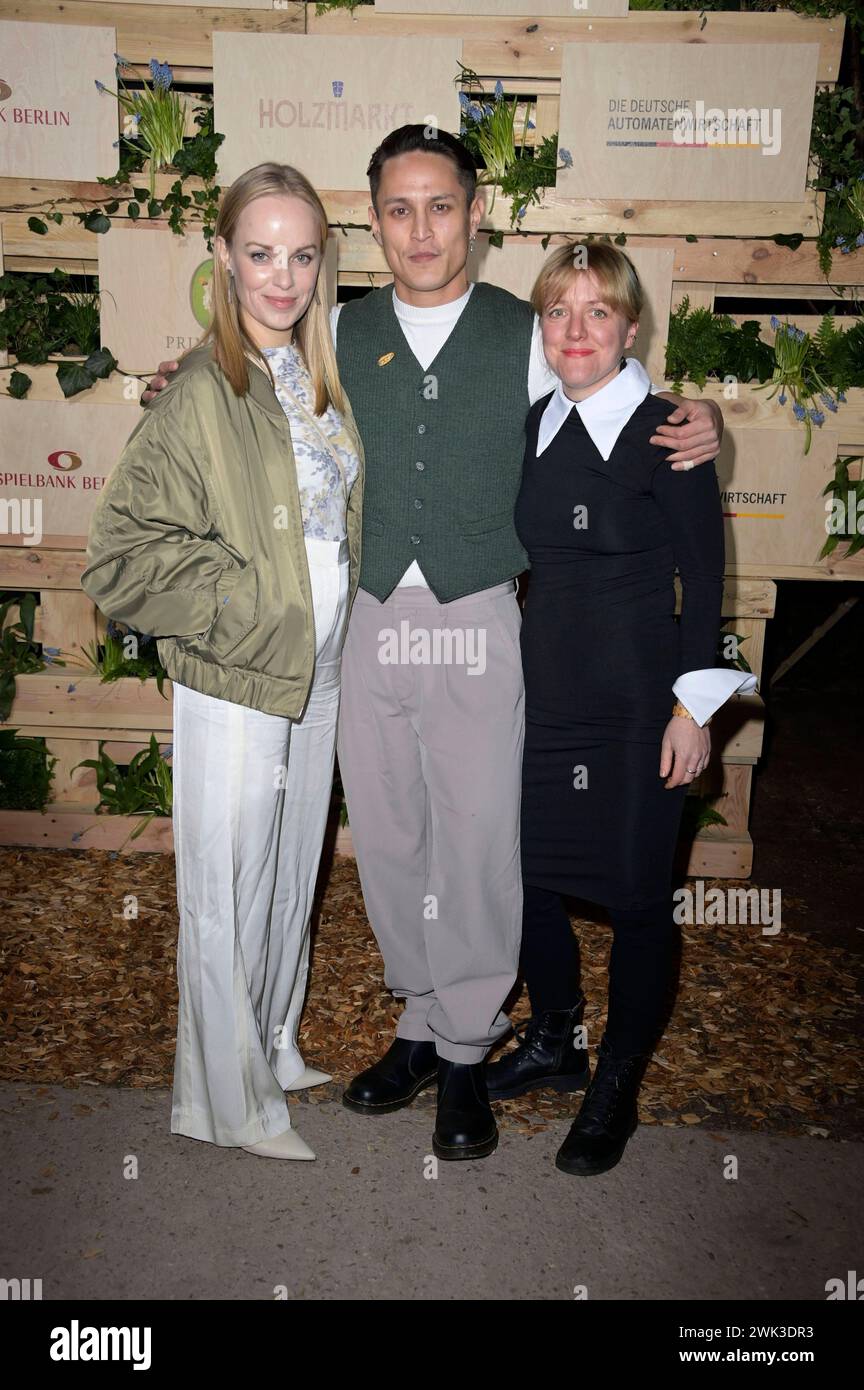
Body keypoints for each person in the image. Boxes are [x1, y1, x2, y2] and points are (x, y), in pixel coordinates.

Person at [145, 126, 724, 1164]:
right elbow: (253, 382)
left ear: (475, 214)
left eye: (442, 205)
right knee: (393, 834)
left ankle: (466, 1046)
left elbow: (616, 390)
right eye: (400, 208)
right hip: (363, 621)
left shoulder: (526, 333)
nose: (421, 228)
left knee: (476, 840)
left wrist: (701, 418)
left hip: (478, 620)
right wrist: (177, 386)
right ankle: (417, 1021)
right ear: (374, 221)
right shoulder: (337, 330)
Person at [81, 163, 364, 1162]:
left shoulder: (320, 380)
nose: (281, 276)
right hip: (236, 673)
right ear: (225, 264)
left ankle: (274, 1044)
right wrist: (243, 606)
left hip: (314, 671)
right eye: (260, 253)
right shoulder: (202, 388)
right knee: (226, 883)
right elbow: (118, 558)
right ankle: (227, 1100)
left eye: (300, 254)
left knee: (292, 872)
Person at [485, 242, 755, 1176]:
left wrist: (693, 709)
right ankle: (557, 1042)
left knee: (640, 901)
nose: (576, 330)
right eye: (560, 311)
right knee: (529, 881)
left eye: (598, 312)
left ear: (630, 329)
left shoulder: (670, 433)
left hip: (641, 706)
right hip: (545, 697)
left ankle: (618, 1087)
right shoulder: (533, 427)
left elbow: (704, 576)